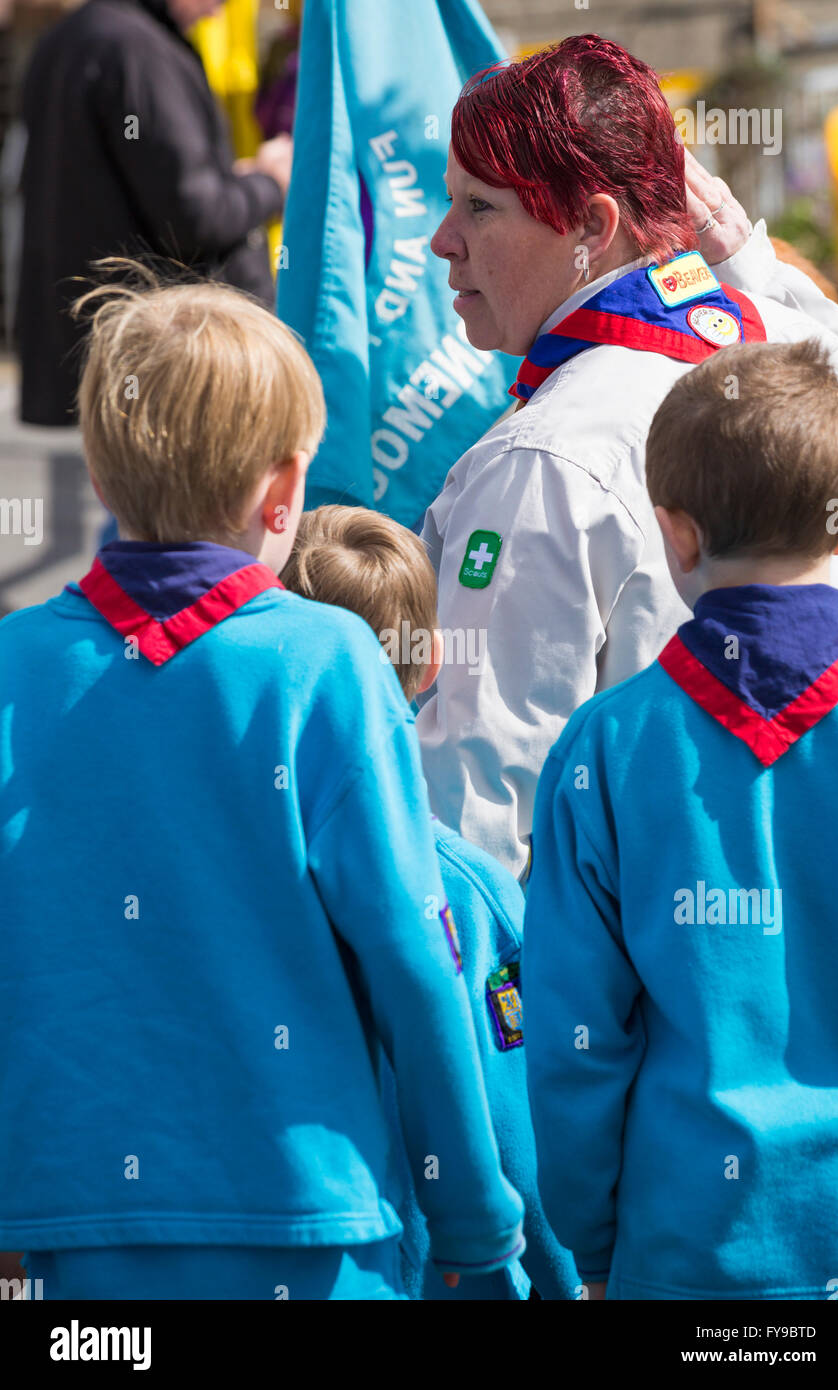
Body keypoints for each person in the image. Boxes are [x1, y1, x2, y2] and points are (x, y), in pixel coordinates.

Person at [0, 266, 524, 1299]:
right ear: (287, 492)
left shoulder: (17, 662)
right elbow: (414, 961)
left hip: (74, 1230)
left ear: (100, 480)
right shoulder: (326, 661)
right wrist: (476, 1218)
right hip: (315, 1227)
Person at [414, 33, 838, 881]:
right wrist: (748, 266)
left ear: (591, 225)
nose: (443, 240)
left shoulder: (538, 465)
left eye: (480, 207)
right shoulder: (815, 360)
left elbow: (479, 823)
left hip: (638, 994)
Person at [522, 337, 838, 1300]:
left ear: (673, 534)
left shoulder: (603, 747)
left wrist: (589, 1244)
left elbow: (574, 1037)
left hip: (685, 1251)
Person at [281, 504, 578, 1300]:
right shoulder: (473, 891)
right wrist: (569, 1278)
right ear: (431, 661)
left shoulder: (232, 869)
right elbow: (521, 1137)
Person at [15, 0, 293, 426]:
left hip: (100, 353)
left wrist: (231, 181)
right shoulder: (139, 51)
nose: (220, 10)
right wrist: (269, 181)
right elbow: (197, 218)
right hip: (157, 359)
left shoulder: (72, 35)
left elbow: (143, 185)